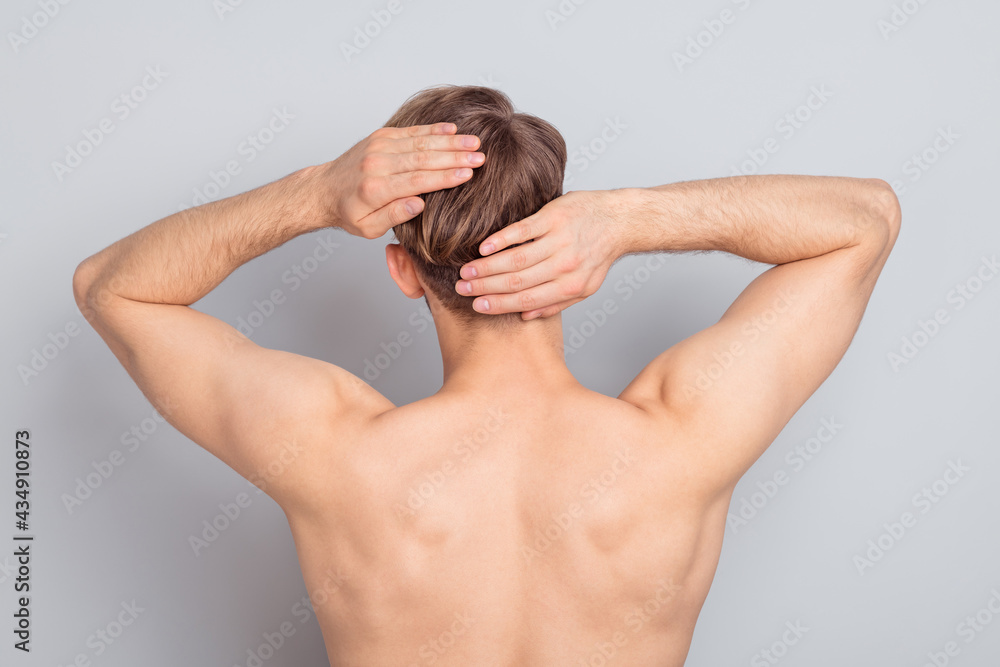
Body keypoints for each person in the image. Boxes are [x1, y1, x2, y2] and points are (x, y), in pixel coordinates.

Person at [73, 85, 900, 666]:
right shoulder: (684, 436)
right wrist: (630, 219)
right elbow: (865, 222)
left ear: (403, 269)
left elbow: (110, 286)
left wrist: (317, 194)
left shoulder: (332, 451)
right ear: (568, 245)